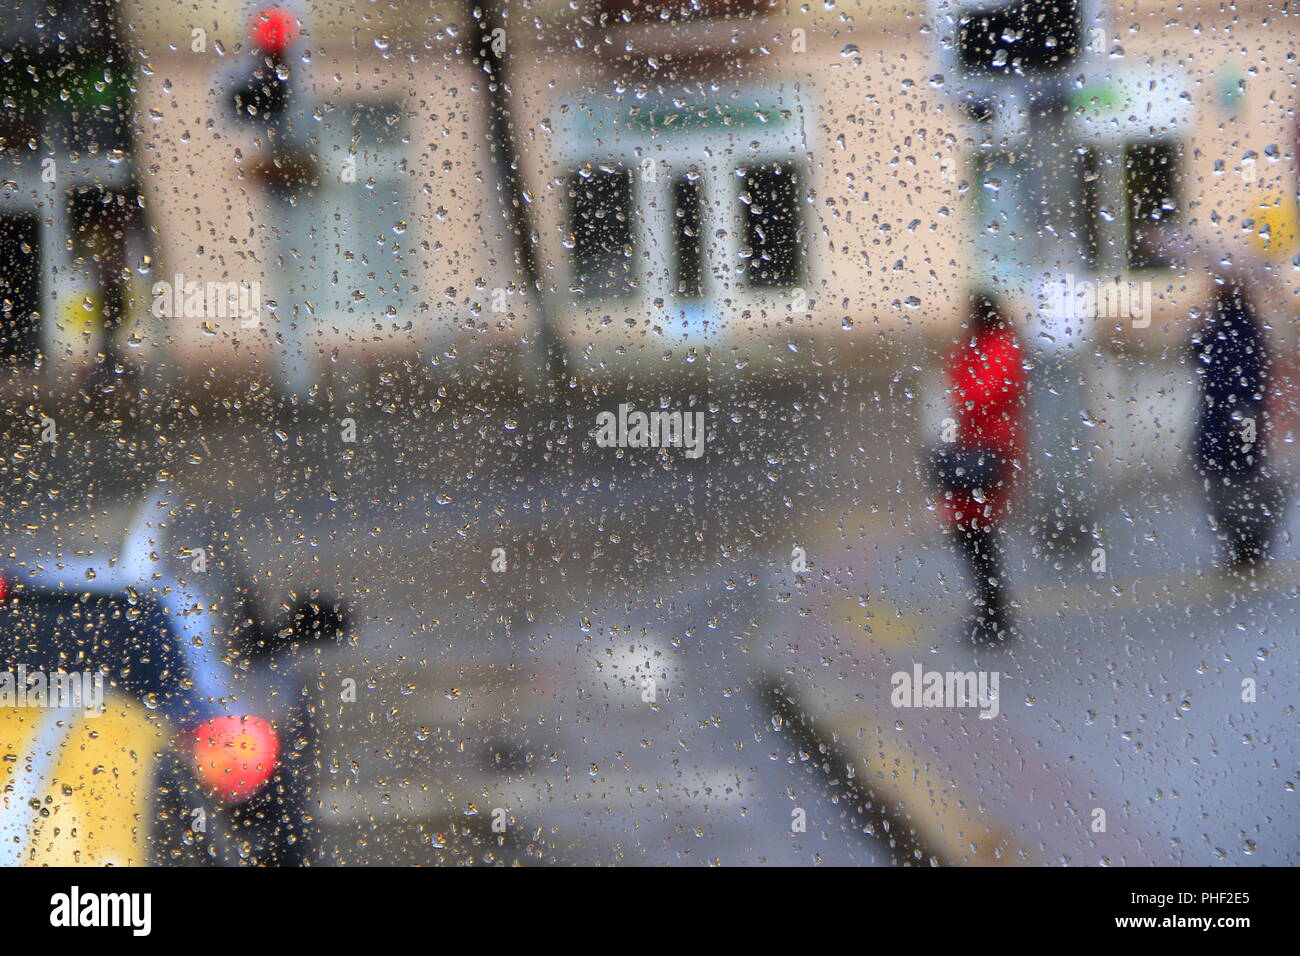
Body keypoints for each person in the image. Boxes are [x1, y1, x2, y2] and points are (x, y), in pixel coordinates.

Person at [935, 291, 1027, 643]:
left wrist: (962, 389)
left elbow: (983, 392)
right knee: (970, 534)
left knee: (979, 534)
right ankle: (989, 606)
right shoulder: (976, 344)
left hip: (990, 452)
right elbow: (955, 376)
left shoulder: (1001, 345)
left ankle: (995, 611)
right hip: (971, 449)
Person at [1189, 278, 1284, 571]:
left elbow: (1197, 358)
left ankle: (1244, 542)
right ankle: (1250, 542)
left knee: (1226, 483)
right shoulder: (1250, 328)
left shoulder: (1223, 329)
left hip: (1220, 420)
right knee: (1244, 478)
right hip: (1243, 419)